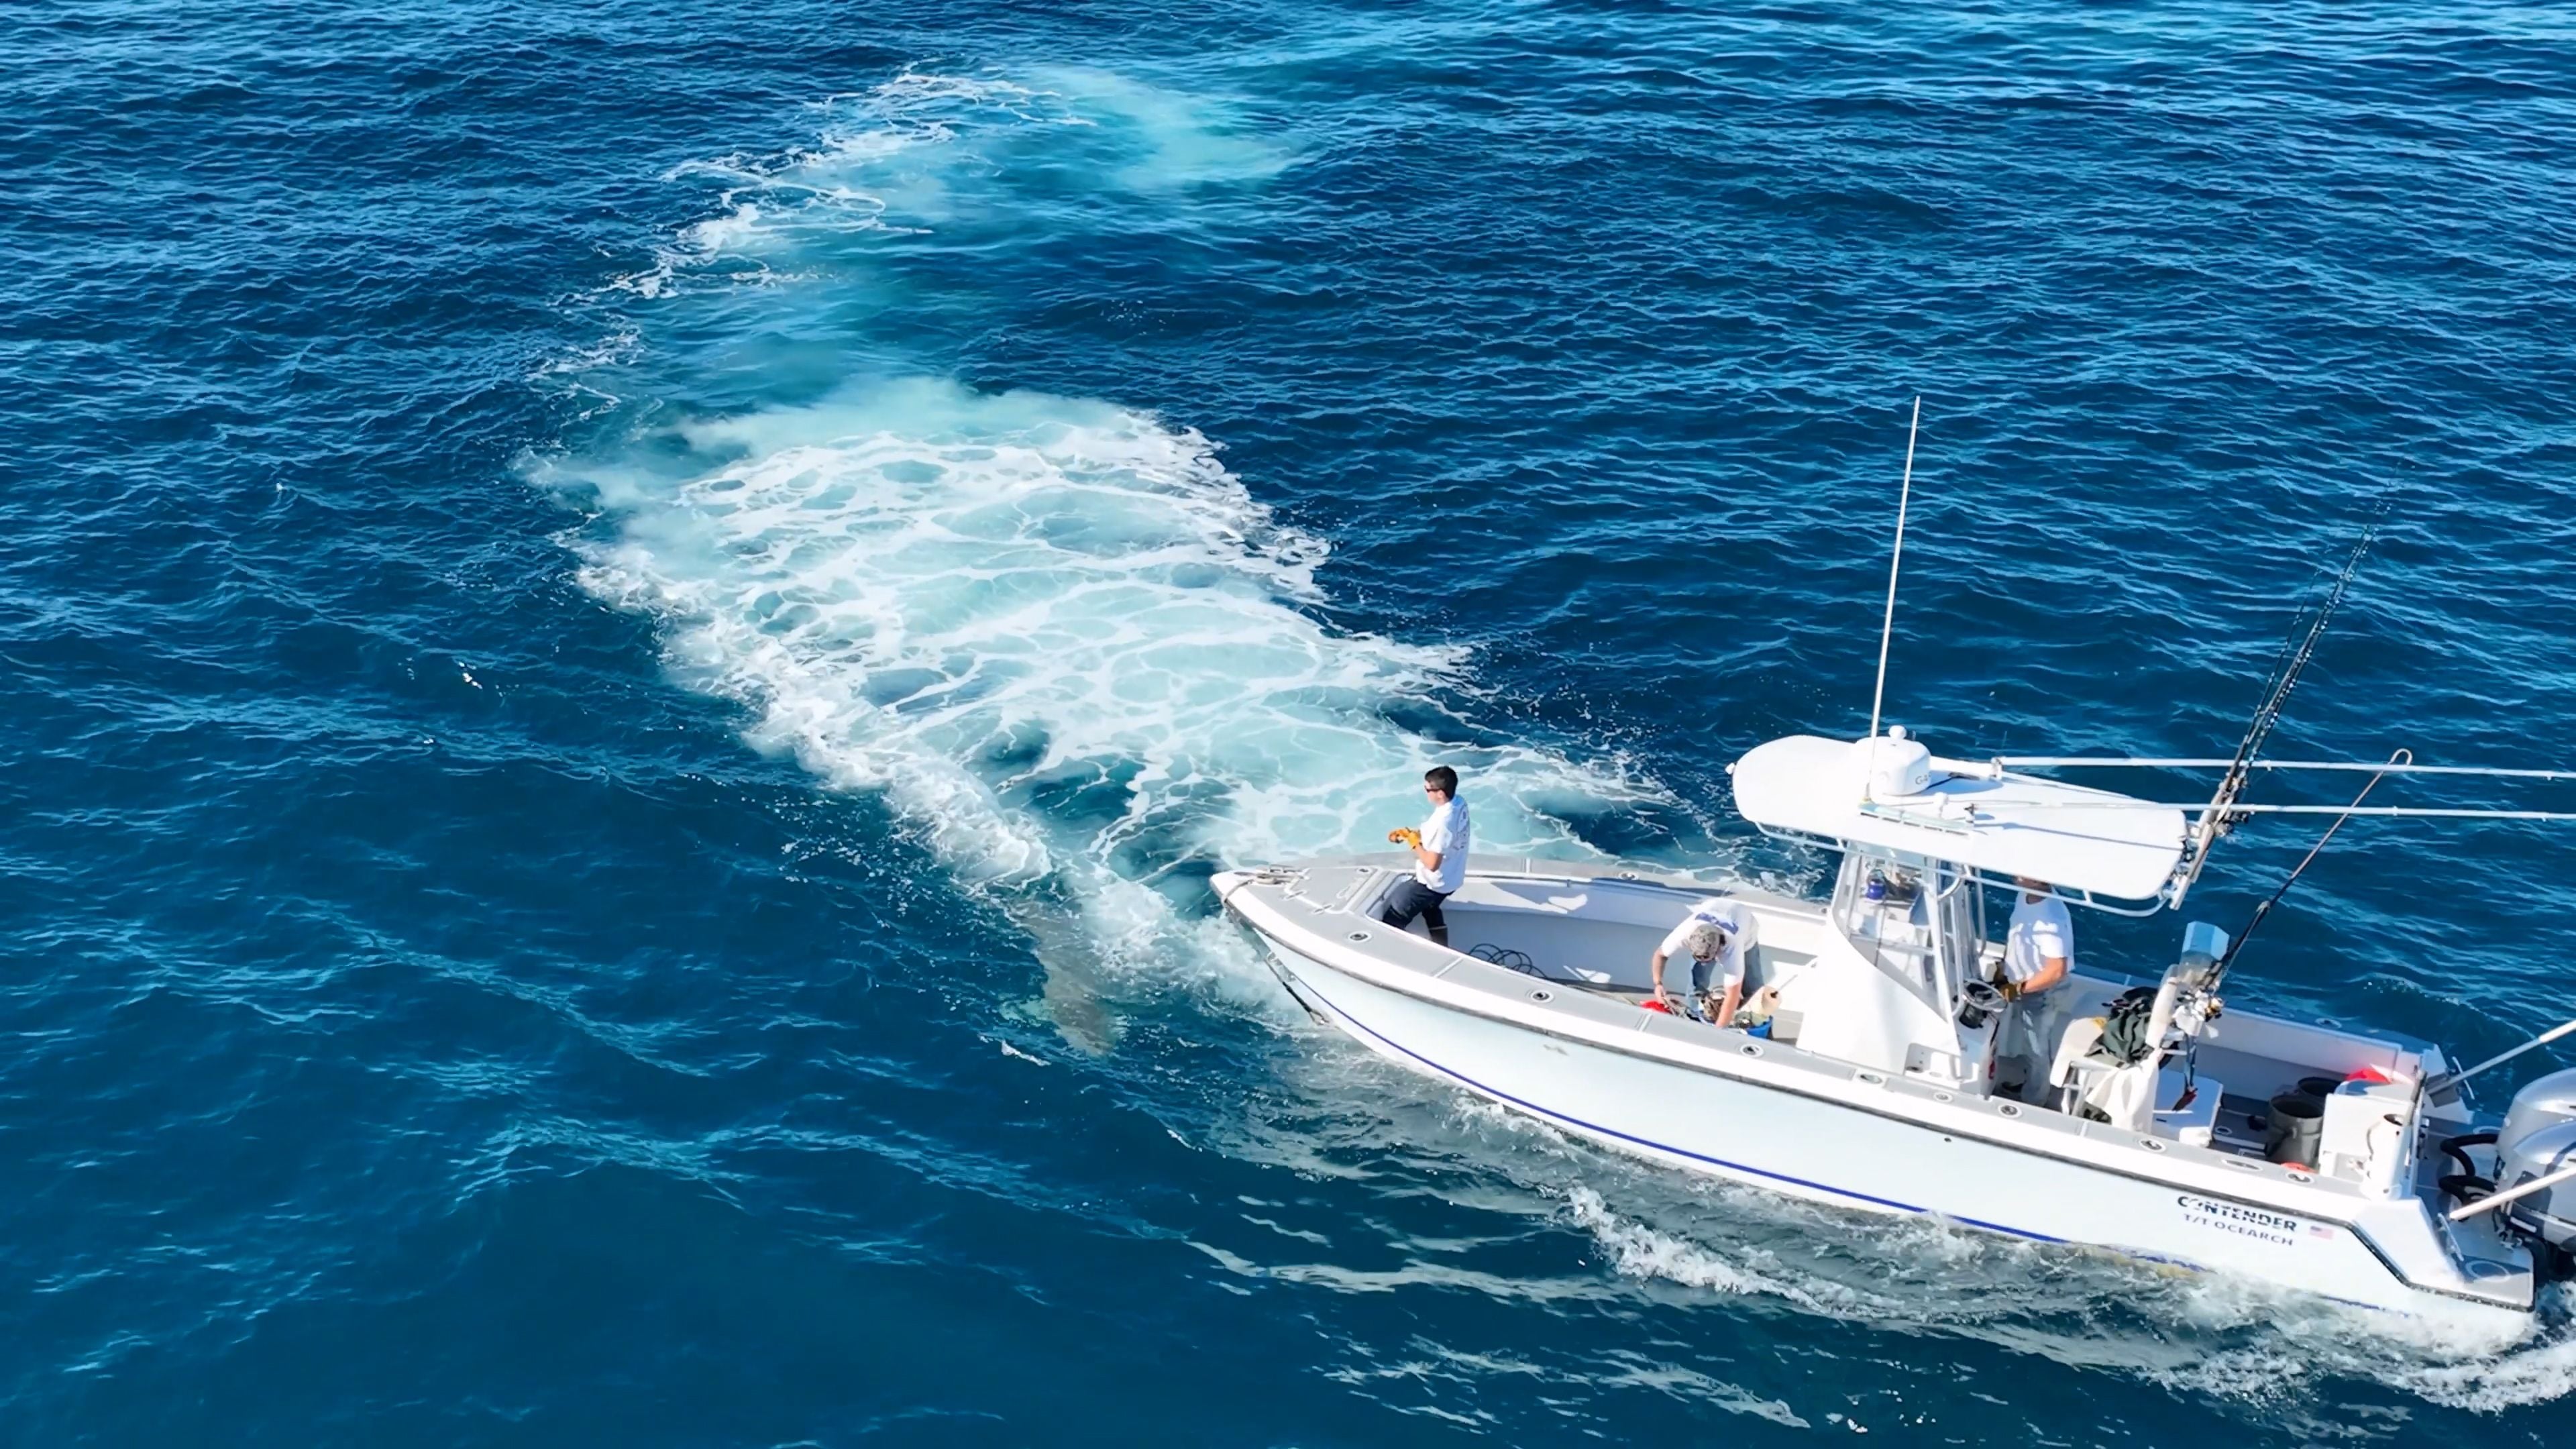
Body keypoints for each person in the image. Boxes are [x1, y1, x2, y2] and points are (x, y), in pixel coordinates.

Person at [2000, 875, 2074, 1104]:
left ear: (2038, 880)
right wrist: (2005, 967)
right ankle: (2030, 1086)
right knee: (2030, 1044)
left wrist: (2019, 989)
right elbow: (2017, 934)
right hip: (2023, 983)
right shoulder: (2025, 895)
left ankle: (2034, 1100)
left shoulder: (2050, 918)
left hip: (2042, 993)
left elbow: (2056, 970)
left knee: (2037, 1050)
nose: (2016, 874)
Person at [1378, 766, 1470, 947]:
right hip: (1452, 878)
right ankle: (1442, 948)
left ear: (1440, 794)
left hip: (1433, 883)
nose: (1426, 792)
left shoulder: (1443, 823)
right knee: (1430, 908)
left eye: (1428, 789)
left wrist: (1414, 843)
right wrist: (1415, 834)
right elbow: (1447, 839)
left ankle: (1391, 953)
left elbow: (1432, 863)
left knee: (1393, 917)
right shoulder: (1459, 803)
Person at [1650, 897, 1760, 1025]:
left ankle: (1754, 1026)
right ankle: (1694, 1020)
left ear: (1720, 947)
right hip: (1714, 906)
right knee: (1697, 983)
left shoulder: (1732, 946)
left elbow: (1733, 995)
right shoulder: (1686, 931)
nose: (1704, 963)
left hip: (1744, 925)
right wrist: (1658, 984)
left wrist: (1717, 1032)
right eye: (1699, 957)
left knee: (1755, 992)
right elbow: (1660, 955)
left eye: (1708, 958)